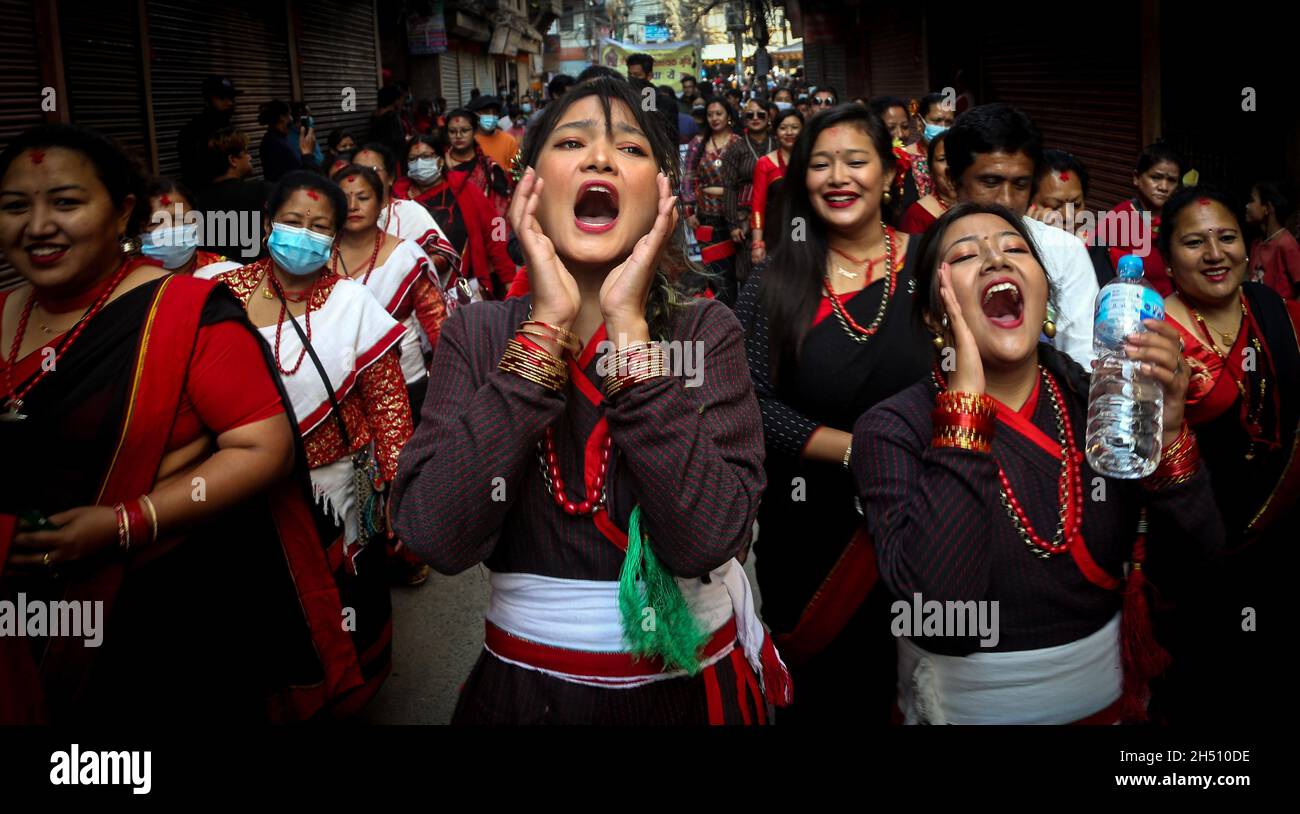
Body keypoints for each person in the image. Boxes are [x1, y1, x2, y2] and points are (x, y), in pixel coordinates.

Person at [390, 76, 789, 725]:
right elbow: (435, 533)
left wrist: (630, 334)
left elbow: (709, 541)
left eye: (630, 149)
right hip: (525, 698)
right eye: (572, 141)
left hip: (689, 700)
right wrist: (545, 328)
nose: (601, 158)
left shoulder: (703, 333)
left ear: (663, 195)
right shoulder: (479, 334)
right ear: (531, 188)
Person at [0, 125, 366, 724]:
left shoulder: (188, 310)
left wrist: (122, 523)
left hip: (159, 604)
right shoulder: (4, 313)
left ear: (121, 213)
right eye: (16, 205)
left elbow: (262, 448)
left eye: (65, 202)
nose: (38, 225)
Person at [852, 201, 1224, 724]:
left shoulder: (1099, 405)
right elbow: (942, 617)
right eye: (965, 255)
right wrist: (965, 411)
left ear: (1044, 293)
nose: (994, 261)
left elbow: (1195, 572)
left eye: (1014, 250)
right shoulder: (892, 428)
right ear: (936, 311)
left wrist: (1166, 435)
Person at [733, 104, 931, 724]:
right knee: (828, 699)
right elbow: (747, 403)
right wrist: (858, 451)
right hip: (809, 532)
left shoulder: (936, 267)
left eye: (854, 161)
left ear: (890, 174)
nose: (837, 177)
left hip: (927, 516)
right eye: (820, 164)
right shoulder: (774, 281)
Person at [211, 171, 414, 710]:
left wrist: (397, 487)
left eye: (319, 226)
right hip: (245, 488)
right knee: (268, 600)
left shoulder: (352, 303)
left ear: (333, 235)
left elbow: (388, 403)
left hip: (339, 486)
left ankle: (350, 691)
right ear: (266, 224)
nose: (304, 234)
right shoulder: (218, 295)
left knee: (346, 590)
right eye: (292, 222)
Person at [1150, 186, 1300, 725]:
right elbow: (1134, 462)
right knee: (1208, 692)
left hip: (1281, 546)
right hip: (1196, 552)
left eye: (1227, 237)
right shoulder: (1151, 337)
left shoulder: (1273, 309)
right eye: (1194, 242)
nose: (1215, 254)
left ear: (1248, 244)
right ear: (1167, 256)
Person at [943, 103, 1099, 368]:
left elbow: (1082, 358)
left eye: (1020, 184)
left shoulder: (1063, 250)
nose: (1006, 200)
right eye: (990, 182)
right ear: (952, 181)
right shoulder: (927, 251)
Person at [329, 164, 445, 414]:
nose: (353, 206)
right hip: (338, 384)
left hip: (405, 378)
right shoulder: (319, 257)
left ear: (382, 202)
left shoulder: (406, 255)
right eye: (344, 199)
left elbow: (437, 324)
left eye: (363, 197)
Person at [396, 135, 517, 299]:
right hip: (416, 295)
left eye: (426, 156)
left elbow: (496, 229)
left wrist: (509, 279)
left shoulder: (466, 190)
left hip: (467, 287)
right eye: (413, 158)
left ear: (441, 159)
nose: (419, 163)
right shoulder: (399, 201)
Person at [352, 143, 464, 295]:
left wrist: (409, 269)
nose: (364, 177)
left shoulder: (409, 211)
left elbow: (444, 257)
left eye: (373, 170)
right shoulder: (343, 217)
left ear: (390, 178)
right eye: (357, 171)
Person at [682, 98, 741, 300]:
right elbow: (688, 178)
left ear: (729, 117)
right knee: (715, 272)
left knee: (735, 272)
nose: (714, 118)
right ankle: (720, 318)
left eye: (719, 114)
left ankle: (737, 317)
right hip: (707, 218)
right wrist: (689, 211)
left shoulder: (738, 143)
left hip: (735, 219)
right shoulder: (698, 144)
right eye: (710, 114)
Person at [1029, 149, 1115, 287]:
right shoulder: (1019, 253)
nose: (1068, 216)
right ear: (1029, 205)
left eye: (1076, 205)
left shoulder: (1096, 248)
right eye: (1055, 206)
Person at [1107, 143, 1183, 297]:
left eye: (1172, 180)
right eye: (1156, 177)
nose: (1163, 187)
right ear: (1136, 178)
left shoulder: (1182, 218)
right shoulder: (1119, 218)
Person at [720, 98, 777, 288]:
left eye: (760, 114)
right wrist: (732, 224)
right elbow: (729, 187)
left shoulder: (777, 145)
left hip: (776, 214)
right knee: (748, 271)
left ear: (769, 118)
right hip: (746, 217)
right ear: (743, 119)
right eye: (749, 115)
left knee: (778, 268)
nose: (755, 118)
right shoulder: (736, 149)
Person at [195, 127, 269, 263]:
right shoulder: (258, 191)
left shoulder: (197, 201)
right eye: (246, 152)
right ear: (233, 160)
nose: (250, 157)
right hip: (255, 276)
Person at [139, 178, 240, 278]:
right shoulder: (132, 283)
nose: (170, 229)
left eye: (180, 219)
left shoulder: (228, 273)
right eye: (156, 223)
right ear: (140, 232)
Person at [749, 108, 802, 265]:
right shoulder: (765, 163)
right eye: (783, 128)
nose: (789, 132)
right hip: (776, 230)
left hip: (804, 226)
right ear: (776, 132)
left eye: (794, 127)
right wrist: (757, 243)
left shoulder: (811, 161)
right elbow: (757, 206)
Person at [444, 107, 513, 222]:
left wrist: (498, 237)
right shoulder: (439, 166)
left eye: (464, 130)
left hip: (486, 230)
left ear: (474, 131)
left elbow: (501, 208)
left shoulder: (489, 167)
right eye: (452, 131)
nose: (458, 135)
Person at [176, 75, 240, 193]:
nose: (230, 103)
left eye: (232, 98)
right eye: (222, 97)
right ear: (208, 99)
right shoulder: (192, 132)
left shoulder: (230, 129)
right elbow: (192, 174)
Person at [1245, 180, 1300, 300]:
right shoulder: (1256, 243)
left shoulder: (1286, 243)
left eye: (1252, 200)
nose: (1247, 206)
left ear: (1267, 208)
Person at [898, 131, 955, 234]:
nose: (950, 166)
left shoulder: (982, 204)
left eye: (957, 157)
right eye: (943, 159)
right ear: (930, 168)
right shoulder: (918, 214)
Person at [258, 100, 318, 183]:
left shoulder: (278, 139)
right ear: (282, 117)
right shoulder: (274, 143)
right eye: (289, 114)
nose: (291, 118)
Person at [467, 95, 518, 172]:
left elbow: (516, 172)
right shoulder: (468, 141)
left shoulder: (509, 141)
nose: (491, 115)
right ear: (476, 115)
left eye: (494, 112)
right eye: (486, 112)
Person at [367, 85, 410, 162]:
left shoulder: (374, 116)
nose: (402, 102)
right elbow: (399, 140)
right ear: (395, 100)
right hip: (392, 158)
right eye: (401, 98)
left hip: (378, 156)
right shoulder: (393, 117)